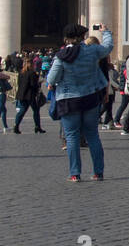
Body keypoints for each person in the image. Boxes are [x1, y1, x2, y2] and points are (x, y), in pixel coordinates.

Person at [47, 22, 116, 181]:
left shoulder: (61, 56)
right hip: (90, 97)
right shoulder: (92, 51)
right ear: (83, 37)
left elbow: (51, 79)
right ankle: (98, 172)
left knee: (71, 137)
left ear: (66, 39)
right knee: (93, 136)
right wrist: (106, 32)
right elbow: (108, 47)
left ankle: (74, 173)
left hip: (68, 100)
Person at [13, 60, 45, 134]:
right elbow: (33, 85)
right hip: (30, 95)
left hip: (22, 94)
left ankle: (16, 126)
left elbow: (19, 83)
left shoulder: (21, 73)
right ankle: (37, 126)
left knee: (22, 111)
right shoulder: (32, 73)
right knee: (36, 111)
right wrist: (38, 82)